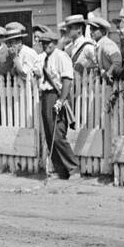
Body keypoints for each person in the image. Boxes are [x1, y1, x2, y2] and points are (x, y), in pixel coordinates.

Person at [33, 26, 79, 179]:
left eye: (49, 43)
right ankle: (60, 170)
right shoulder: (42, 57)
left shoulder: (61, 56)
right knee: (49, 134)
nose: (46, 46)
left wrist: (61, 100)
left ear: (55, 43)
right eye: (43, 44)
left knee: (58, 134)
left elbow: (67, 81)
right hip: (46, 96)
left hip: (58, 95)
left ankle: (73, 169)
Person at [86, 13, 120, 78]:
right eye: (90, 29)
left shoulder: (107, 44)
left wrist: (109, 74)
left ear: (103, 31)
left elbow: (117, 62)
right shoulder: (99, 44)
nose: (91, 32)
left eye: (94, 29)